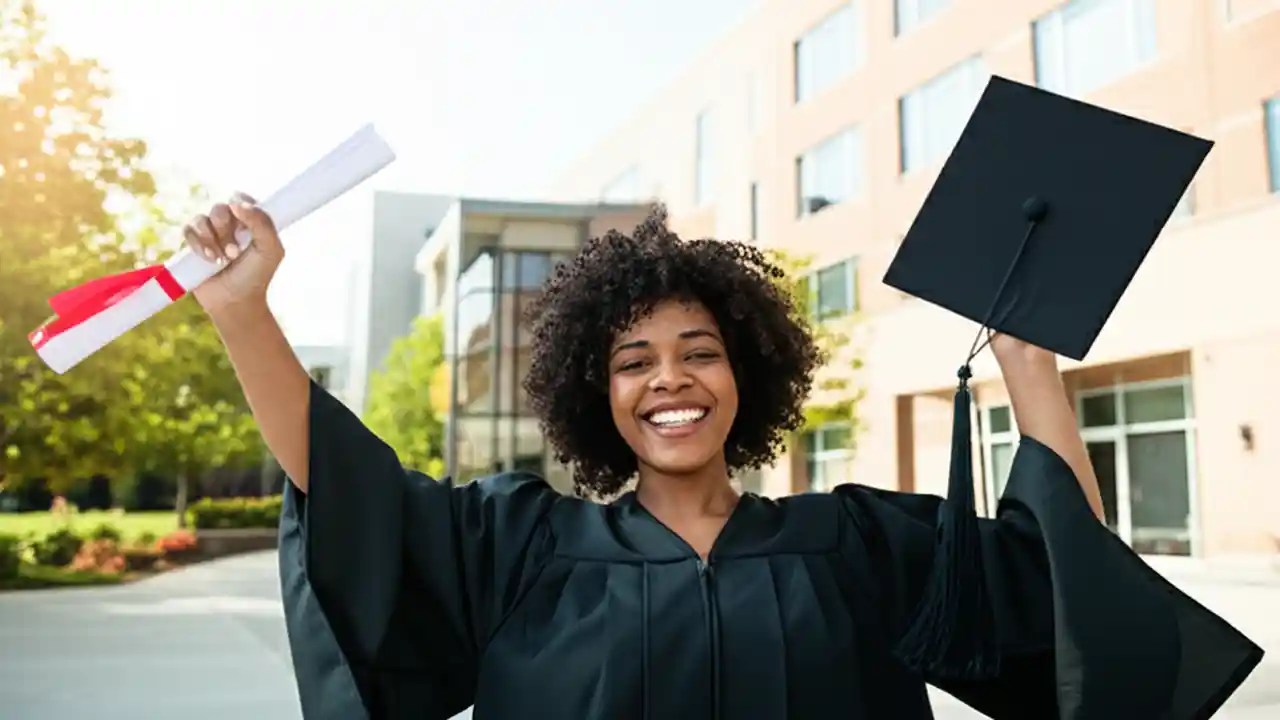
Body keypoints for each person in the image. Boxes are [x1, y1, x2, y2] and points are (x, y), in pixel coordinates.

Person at [187, 202, 1261, 719]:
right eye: (633, 361)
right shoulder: (521, 545)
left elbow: (1055, 572)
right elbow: (353, 497)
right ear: (594, 393)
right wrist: (245, 316)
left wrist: (1028, 359)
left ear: (744, 375)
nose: (669, 379)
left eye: (700, 352)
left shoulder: (856, 547)